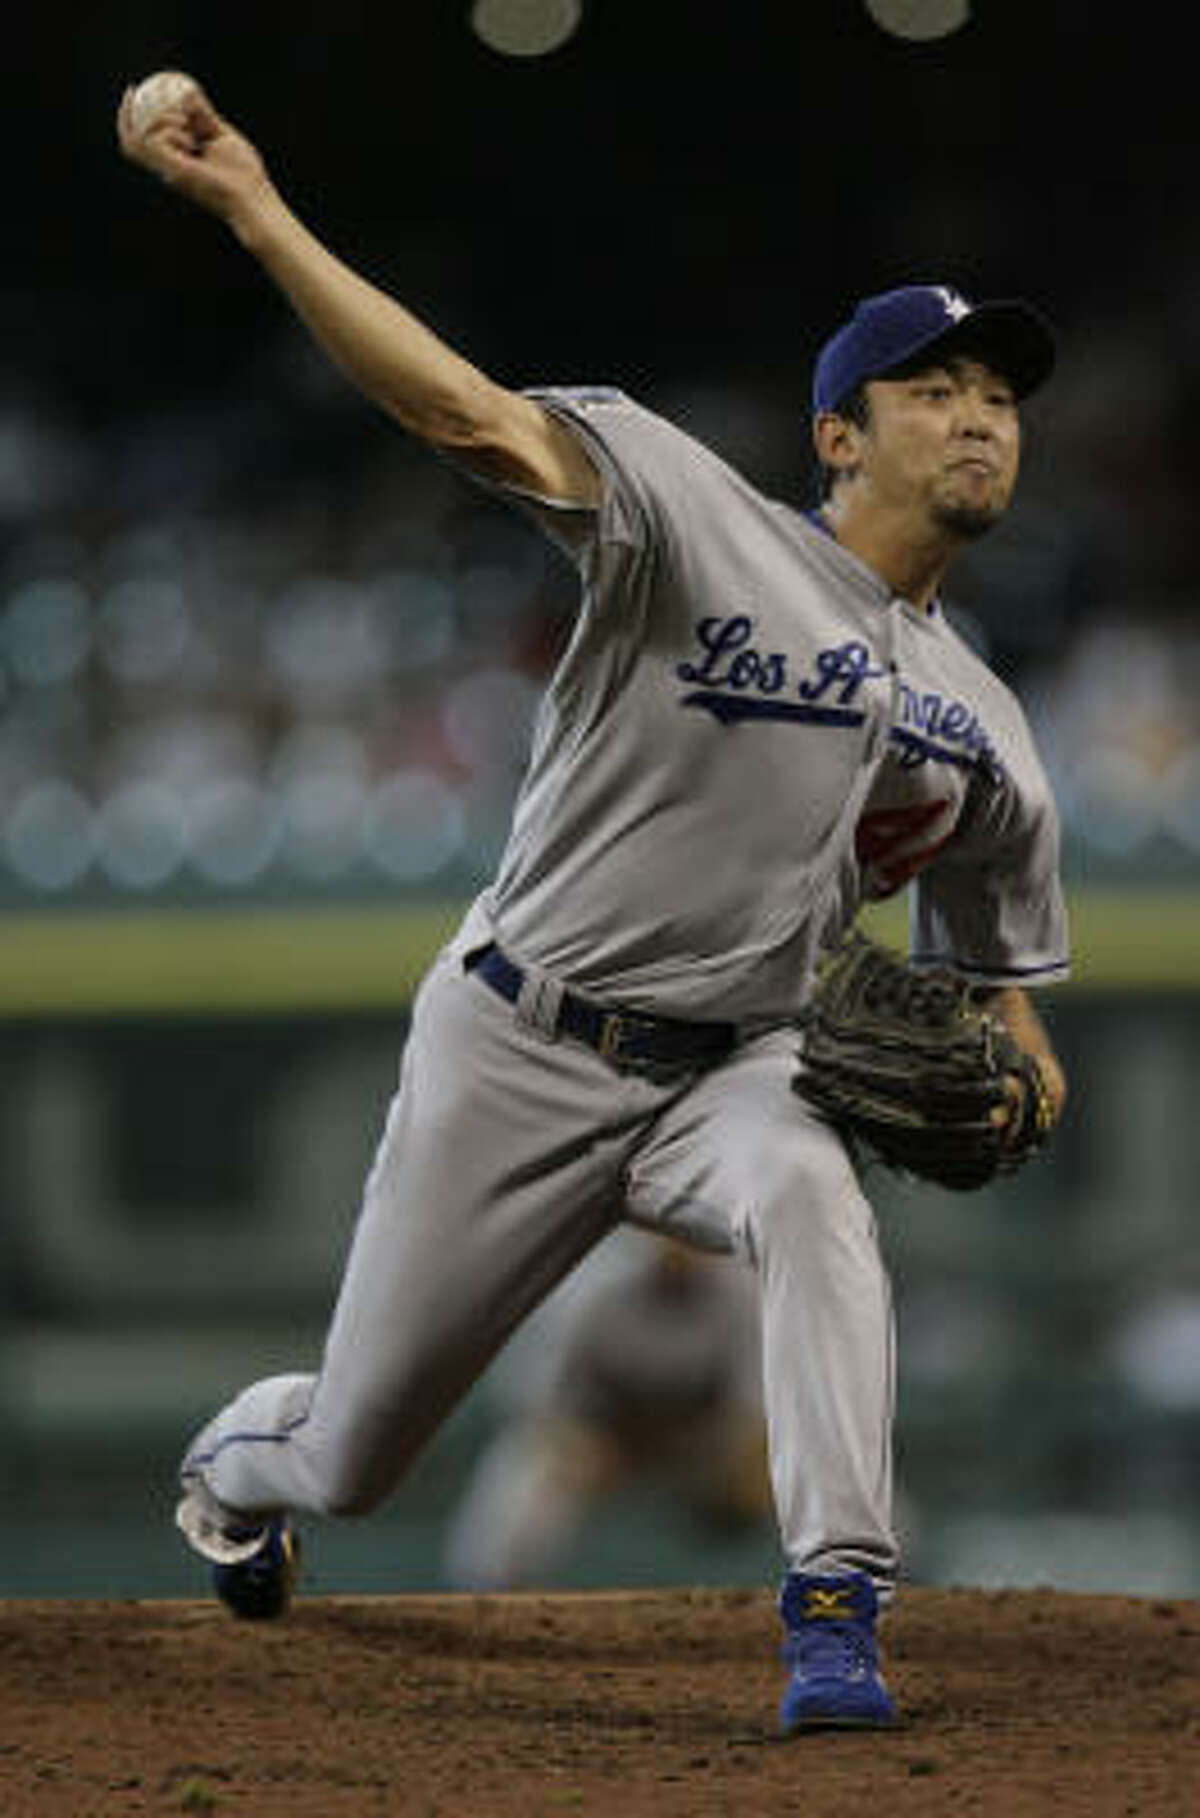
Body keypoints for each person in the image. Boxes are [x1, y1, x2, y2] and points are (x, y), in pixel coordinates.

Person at [117, 77, 1069, 1733]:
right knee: (354, 1450)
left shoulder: (989, 725)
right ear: (840, 431)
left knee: (816, 1201)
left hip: (740, 1065)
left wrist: (1022, 1072)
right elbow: (471, 419)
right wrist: (259, 212)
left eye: (1000, 391)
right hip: (519, 1039)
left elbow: (1003, 986)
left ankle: (837, 1609)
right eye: (935, 386)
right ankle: (241, 1466)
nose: (980, 413)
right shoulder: (695, 520)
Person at [442, 1232, 770, 1590]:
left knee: (795, 1474)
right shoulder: (591, 1284)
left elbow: (760, 1411)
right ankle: (487, 1604)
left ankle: (796, 1609)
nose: (680, 1241)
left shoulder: (744, 1291)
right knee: (525, 1476)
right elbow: (531, 1398)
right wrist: (574, 1442)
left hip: (694, 1445)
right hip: (602, 1442)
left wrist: (748, 1469)